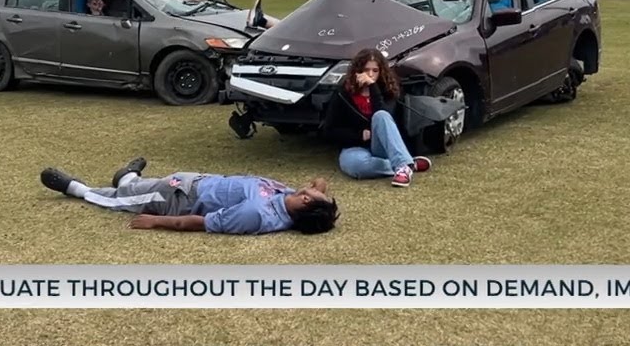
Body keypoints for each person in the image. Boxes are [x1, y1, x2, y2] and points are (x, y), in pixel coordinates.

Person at [39, 157, 339, 235]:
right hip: (194, 180)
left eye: (314, 194)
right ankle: (128, 177)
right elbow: (320, 183)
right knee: (139, 187)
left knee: (121, 199)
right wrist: (320, 198)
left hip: (178, 199)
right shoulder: (288, 197)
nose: (314, 187)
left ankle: (77, 188)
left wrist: (157, 223)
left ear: (306, 201)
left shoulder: (257, 214)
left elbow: (202, 222)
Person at [321, 48, 432, 188]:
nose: (370, 74)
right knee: (355, 166)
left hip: (382, 146)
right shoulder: (343, 93)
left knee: (381, 115)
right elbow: (329, 131)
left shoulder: (387, 91)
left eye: (375, 71)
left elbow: (384, 115)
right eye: (366, 70)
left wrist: (373, 87)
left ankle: (402, 166)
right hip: (356, 146)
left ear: (381, 72)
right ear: (357, 71)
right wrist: (359, 135)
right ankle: (408, 164)